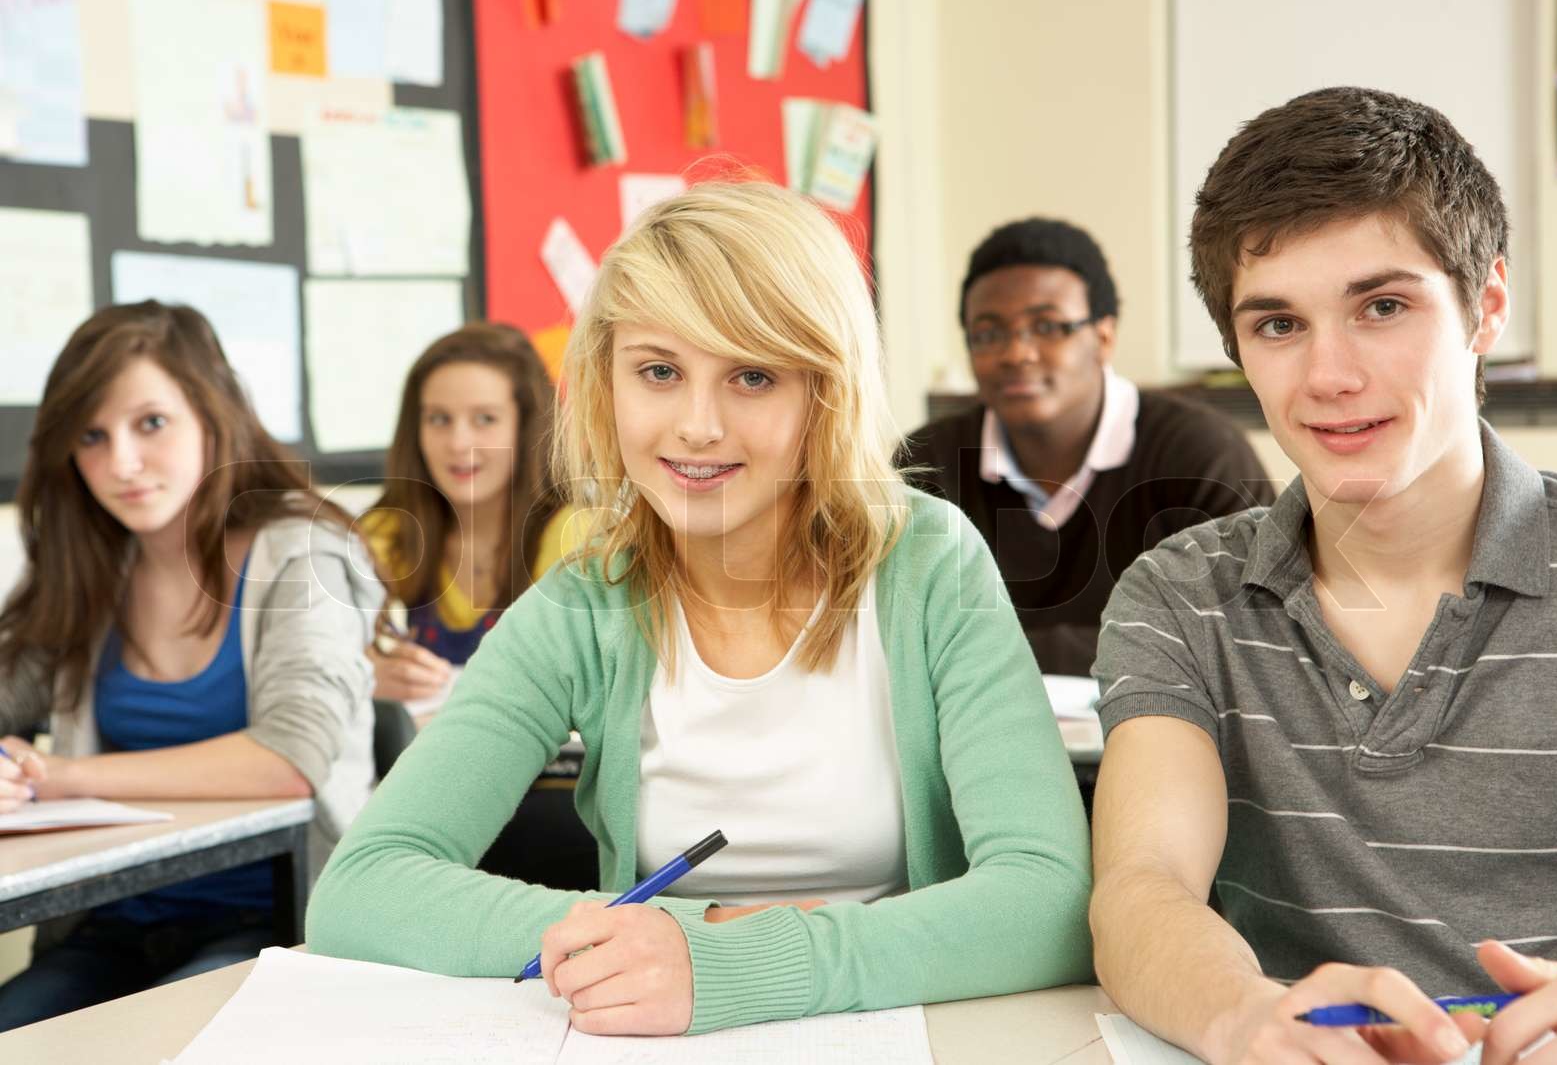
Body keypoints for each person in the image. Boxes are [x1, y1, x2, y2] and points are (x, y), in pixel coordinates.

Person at [306, 180, 1092, 1036]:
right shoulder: (582, 603)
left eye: (752, 375)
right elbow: (361, 887)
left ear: (825, 392)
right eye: (659, 371)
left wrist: (745, 958)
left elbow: (1049, 899)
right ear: (605, 382)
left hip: (895, 1030)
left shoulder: (928, 563)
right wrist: (684, 934)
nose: (697, 425)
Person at [1089, 86, 1557, 1065]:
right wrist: (1240, 1015)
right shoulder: (1179, 595)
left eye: (1382, 306)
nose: (1328, 374)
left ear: (1487, 306)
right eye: (1278, 324)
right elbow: (1141, 886)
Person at [0, 301, 380, 1030]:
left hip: (278, 923)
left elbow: (290, 758)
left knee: (165, 1043)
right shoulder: (91, 566)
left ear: (212, 413)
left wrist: (61, 775)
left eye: (151, 423)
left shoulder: (302, 551)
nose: (122, 463)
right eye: (92, 436)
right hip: (108, 925)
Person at [899, 218, 1272, 676]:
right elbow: (899, 637)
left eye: (1047, 326)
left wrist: (992, 655)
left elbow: (1244, 633)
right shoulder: (925, 464)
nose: (1016, 353)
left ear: (1104, 337)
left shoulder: (1200, 453)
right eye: (989, 333)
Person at [362, 322, 594, 889]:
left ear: (526, 426)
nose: (457, 442)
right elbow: (322, 666)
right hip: (428, 788)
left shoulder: (577, 535)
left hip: (549, 801)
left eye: (485, 419)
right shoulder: (383, 534)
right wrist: (367, 675)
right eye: (438, 419)